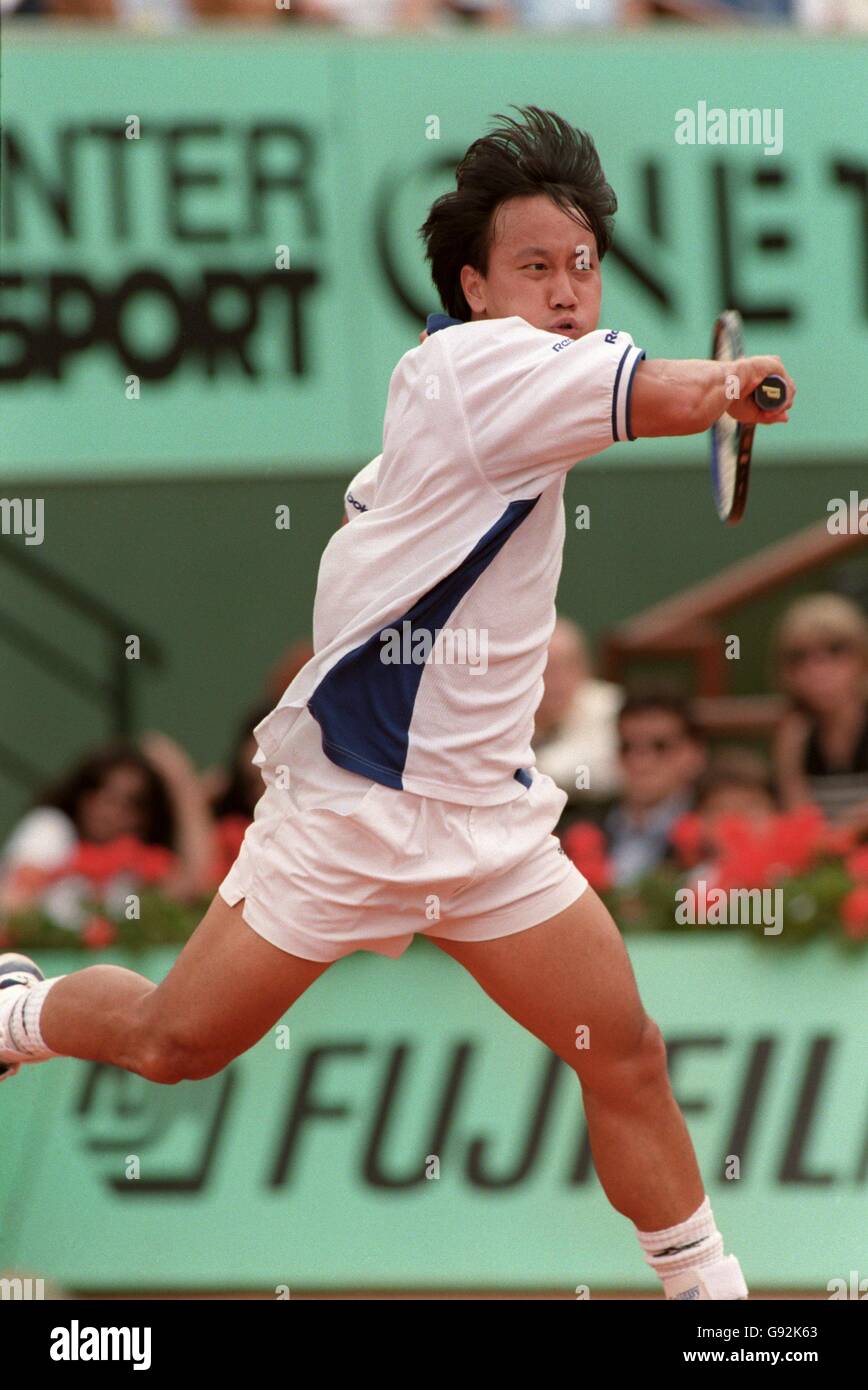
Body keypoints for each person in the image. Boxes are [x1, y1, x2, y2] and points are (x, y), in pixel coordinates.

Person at [1, 105, 795, 1300]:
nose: (569, 291)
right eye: (535, 267)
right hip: (352, 814)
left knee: (620, 1051)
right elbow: (668, 396)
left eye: (582, 265)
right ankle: (22, 1006)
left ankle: (707, 1298)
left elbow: (626, 384)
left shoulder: (532, 374)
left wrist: (704, 384)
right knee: (174, 1044)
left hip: (484, 823)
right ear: (474, 286)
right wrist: (732, 382)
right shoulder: (476, 369)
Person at [0, 737, 213, 914]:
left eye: (130, 803)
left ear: (147, 817)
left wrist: (182, 783)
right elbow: (14, 900)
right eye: (98, 792)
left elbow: (191, 887)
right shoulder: (50, 827)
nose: (108, 810)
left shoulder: (144, 865)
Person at [772, 594, 868, 832]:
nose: (817, 667)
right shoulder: (793, 734)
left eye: (835, 650)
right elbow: (799, 822)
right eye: (799, 656)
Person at [604, 693, 706, 885]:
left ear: (695, 754)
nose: (640, 762)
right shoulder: (577, 825)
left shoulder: (712, 834)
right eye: (627, 747)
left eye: (660, 746)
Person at [532, 616, 623, 807]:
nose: (557, 680)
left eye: (568, 665)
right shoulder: (509, 713)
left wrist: (526, 771)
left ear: (586, 668)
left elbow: (596, 776)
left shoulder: (610, 706)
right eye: (545, 667)